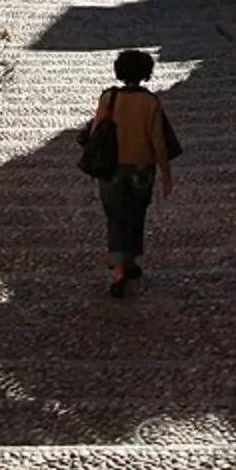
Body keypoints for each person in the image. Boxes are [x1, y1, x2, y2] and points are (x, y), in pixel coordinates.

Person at [91, 49, 173, 297]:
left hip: (111, 168)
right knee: (136, 215)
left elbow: (96, 132)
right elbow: (159, 142)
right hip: (141, 169)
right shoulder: (150, 103)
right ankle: (129, 261)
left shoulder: (108, 98)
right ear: (146, 73)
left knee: (115, 216)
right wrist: (167, 174)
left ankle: (118, 267)